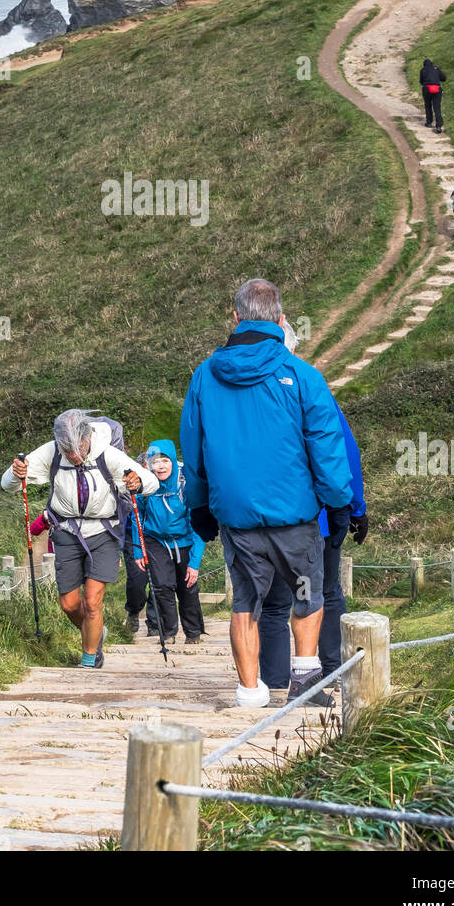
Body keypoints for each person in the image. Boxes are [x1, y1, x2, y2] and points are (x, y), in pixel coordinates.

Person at [180, 278, 353, 709]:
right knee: (304, 593)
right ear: (279, 319)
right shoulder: (302, 375)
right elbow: (326, 447)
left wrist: (198, 507)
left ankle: (249, 691)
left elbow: (194, 450)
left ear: (235, 317)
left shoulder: (204, 375)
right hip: (294, 514)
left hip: (236, 516)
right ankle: (304, 677)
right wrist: (339, 502)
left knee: (247, 601)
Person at [257, 323, 368, 695]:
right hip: (318, 517)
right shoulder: (309, 385)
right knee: (325, 592)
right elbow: (342, 451)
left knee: (275, 603)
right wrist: (355, 507)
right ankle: (332, 670)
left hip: (265, 518)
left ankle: (273, 681)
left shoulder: (246, 393)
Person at [1, 411, 157, 667]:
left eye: (79, 449)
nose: (74, 456)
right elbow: (10, 485)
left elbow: (150, 483)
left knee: (92, 602)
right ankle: (96, 633)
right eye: (67, 450)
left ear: (88, 437)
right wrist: (14, 472)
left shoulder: (108, 453)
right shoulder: (51, 452)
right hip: (67, 532)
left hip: (105, 532)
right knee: (69, 605)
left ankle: (89, 660)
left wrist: (136, 482)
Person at [131, 439, 206, 646]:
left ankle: (193, 633)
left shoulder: (185, 483)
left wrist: (195, 562)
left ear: (172, 460)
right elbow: (136, 518)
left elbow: (198, 523)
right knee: (162, 586)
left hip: (185, 539)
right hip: (155, 540)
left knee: (188, 587)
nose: (160, 466)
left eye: (165, 460)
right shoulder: (144, 484)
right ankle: (168, 632)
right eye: (155, 461)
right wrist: (138, 550)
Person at [122, 452, 153, 633]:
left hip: (156, 537)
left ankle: (155, 624)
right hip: (131, 537)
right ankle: (133, 611)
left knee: (159, 581)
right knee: (137, 581)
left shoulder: (163, 485)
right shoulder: (128, 485)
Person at [420, 57, 447, 133]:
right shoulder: (436, 69)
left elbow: (421, 81)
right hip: (437, 89)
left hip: (427, 89)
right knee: (437, 107)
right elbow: (444, 78)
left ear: (424, 65)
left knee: (428, 106)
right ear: (432, 64)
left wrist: (426, 84)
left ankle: (429, 122)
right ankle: (438, 126)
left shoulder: (423, 70)